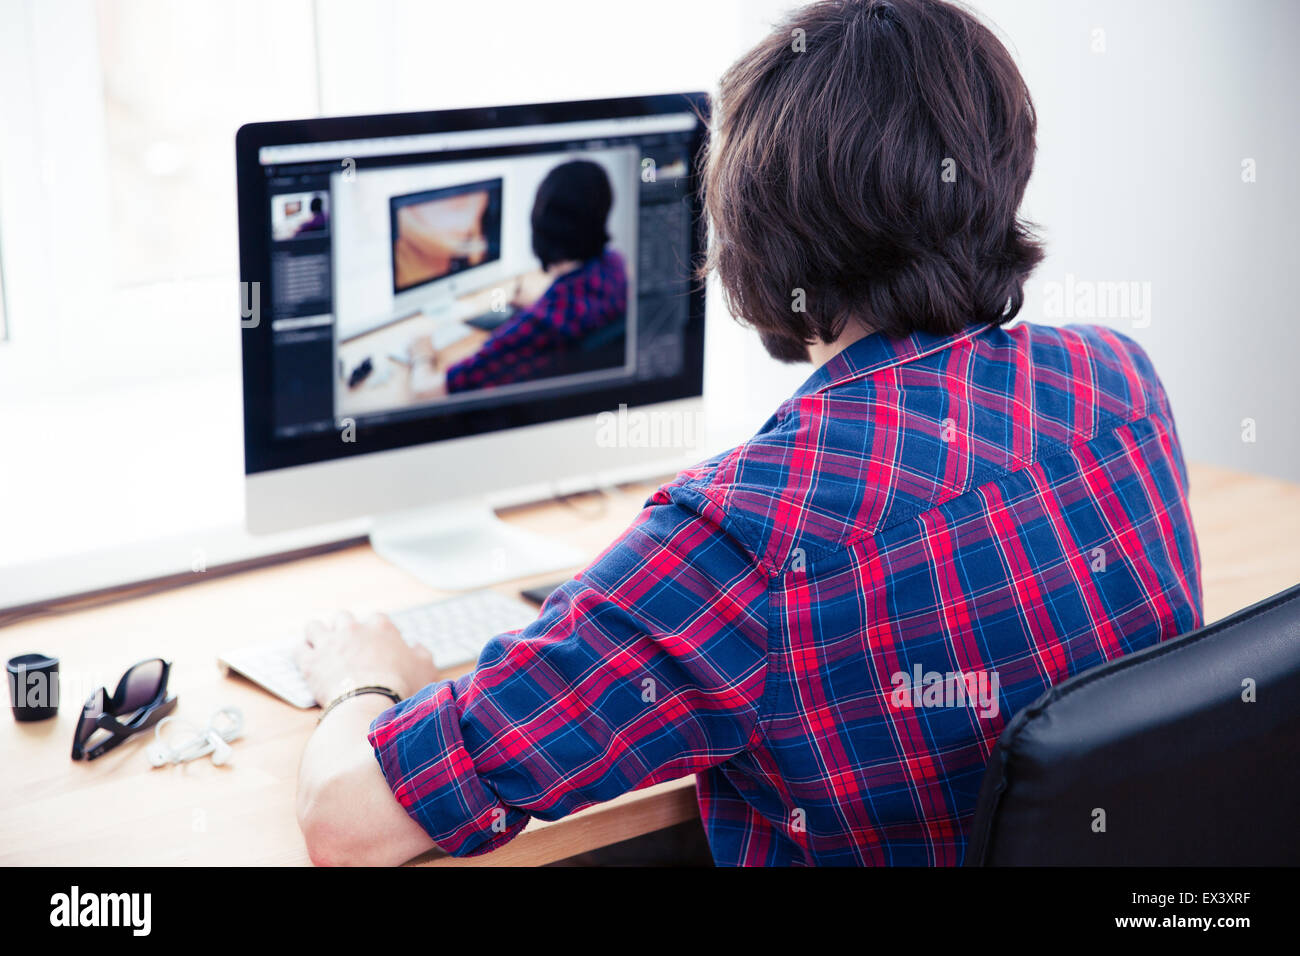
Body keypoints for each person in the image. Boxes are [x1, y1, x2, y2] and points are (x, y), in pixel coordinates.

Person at [294, 0, 1202, 867]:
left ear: (754, 231)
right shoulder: (1116, 382)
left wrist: (362, 680)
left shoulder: (740, 543)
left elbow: (348, 823)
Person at [407, 159, 628, 399]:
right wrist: (540, 303)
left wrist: (422, 356)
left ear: (541, 225)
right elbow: (572, 307)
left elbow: (429, 391)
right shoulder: (615, 266)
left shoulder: (538, 327)